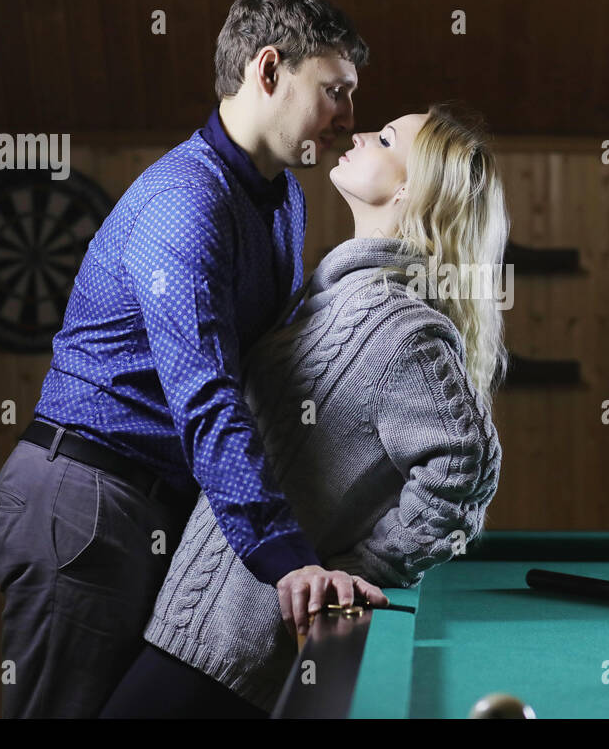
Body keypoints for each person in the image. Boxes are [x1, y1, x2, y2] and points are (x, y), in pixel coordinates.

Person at [0, 0, 381, 717]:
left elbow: (267, 370)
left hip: (154, 514)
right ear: (269, 70)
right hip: (84, 502)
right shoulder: (185, 204)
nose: (350, 120)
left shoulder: (283, 201)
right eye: (336, 92)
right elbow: (207, 399)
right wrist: (287, 561)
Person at [99, 103, 507, 717]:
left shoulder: (403, 329)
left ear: (409, 187)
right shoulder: (332, 297)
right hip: (196, 629)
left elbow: (467, 468)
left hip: (243, 649)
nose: (363, 133)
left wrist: (360, 567)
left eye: (388, 138)